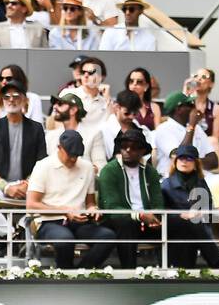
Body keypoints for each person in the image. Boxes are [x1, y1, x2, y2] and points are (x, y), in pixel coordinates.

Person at [0, 80, 46, 254]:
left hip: (29, 184)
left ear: (24, 100)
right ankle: (12, 234)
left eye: (15, 96)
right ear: (2, 101)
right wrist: (5, 186)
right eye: (6, 97)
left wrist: (27, 184)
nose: (11, 100)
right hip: (0, 183)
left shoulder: (36, 128)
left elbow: (41, 162)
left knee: (53, 201)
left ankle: (19, 229)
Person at [27, 130, 110, 269]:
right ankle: (66, 276)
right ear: (59, 148)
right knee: (65, 239)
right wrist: (65, 211)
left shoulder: (87, 167)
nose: (73, 159)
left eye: (77, 155)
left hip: (79, 220)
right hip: (48, 220)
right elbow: (31, 205)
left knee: (108, 237)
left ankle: (81, 273)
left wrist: (92, 209)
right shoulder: (43, 166)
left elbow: (90, 202)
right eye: (70, 154)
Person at [96, 128, 163, 269]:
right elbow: (111, 208)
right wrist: (140, 215)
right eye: (123, 146)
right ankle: (130, 272)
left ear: (142, 151)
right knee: (127, 224)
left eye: (133, 147)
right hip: (118, 222)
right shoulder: (109, 170)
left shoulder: (150, 171)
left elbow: (158, 202)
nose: (127, 150)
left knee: (177, 224)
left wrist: (157, 218)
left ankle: (176, 270)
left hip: (148, 222)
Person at [159, 143, 219, 269]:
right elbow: (160, 212)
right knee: (191, 222)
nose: (184, 161)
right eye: (181, 158)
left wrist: (202, 213)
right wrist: (180, 215)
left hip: (195, 229)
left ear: (196, 162)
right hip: (173, 226)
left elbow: (210, 209)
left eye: (189, 158)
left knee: (193, 224)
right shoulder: (166, 185)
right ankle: (217, 260)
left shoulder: (201, 183)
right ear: (175, 161)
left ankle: (189, 269)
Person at [151, 92, 215, 178]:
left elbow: (214, 161)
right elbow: (181, 158)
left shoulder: (198, 128)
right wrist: (191, 126)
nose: (194, 108)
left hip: (201, 177)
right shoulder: (163, 129)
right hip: (173, 179)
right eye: (190, 105)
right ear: (178, 109)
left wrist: (192, 162)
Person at [45, 91, 106, 175]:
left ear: (73, 110)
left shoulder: (94, 134)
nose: (54, 106)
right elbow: (44, 166)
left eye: (60, 104)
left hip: (82, 184)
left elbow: (101, 167)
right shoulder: (50, 136)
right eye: (54, 104)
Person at [100, 90, 152, 161]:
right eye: (127, 113)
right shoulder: (104, 130)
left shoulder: (142, 130)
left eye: (135, 114)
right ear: (117, 107)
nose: (131, 117)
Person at [125, 67, 161, 131]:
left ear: (146, 86)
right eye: (131, 81)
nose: (134, 84)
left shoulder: (154, 107)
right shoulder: (122, 106)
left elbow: (158, 132)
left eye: (139, 82)